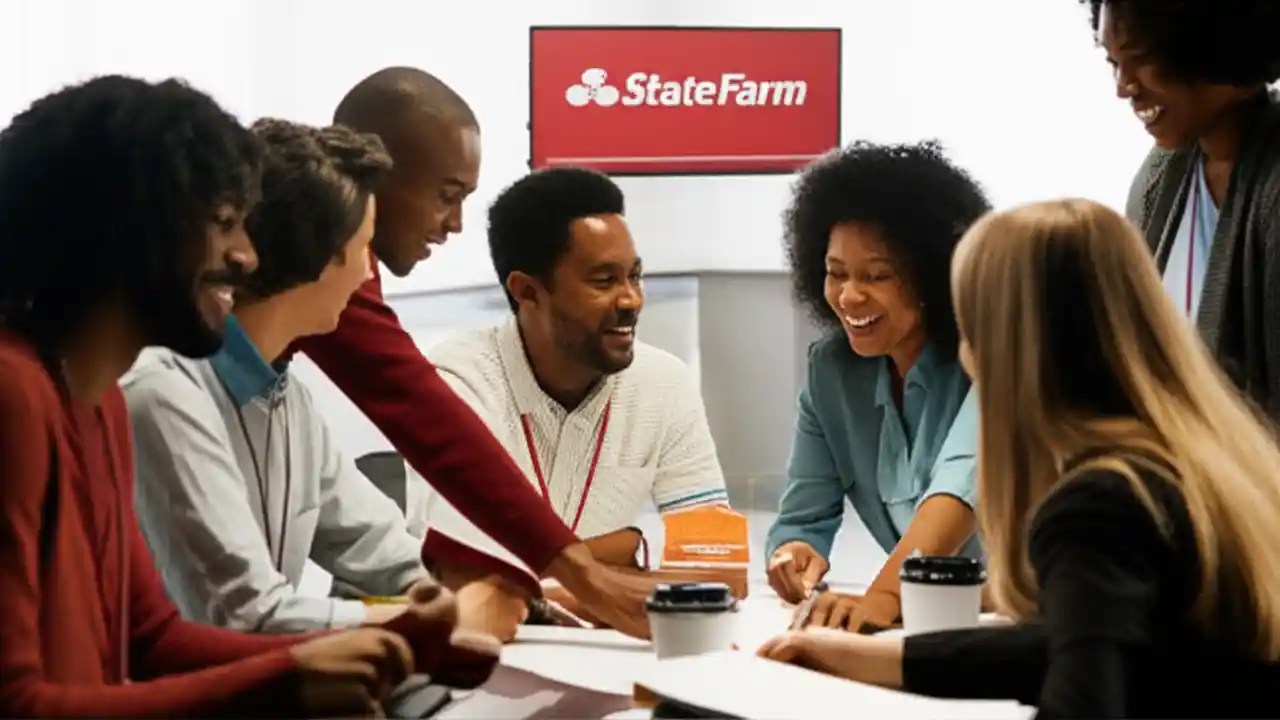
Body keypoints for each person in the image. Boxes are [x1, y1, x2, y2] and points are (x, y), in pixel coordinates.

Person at [0, 76, 493, 718]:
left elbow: (154, 641)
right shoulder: (17, 393)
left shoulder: (99, 403)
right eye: (224, 224)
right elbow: (17, 703)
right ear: (132, 229)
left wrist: (399, 638)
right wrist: (287, 679)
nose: (247, 254)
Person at [759, 199, 1280, 718]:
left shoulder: (1098, 507)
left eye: (968, 326)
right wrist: (868, 656)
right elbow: (1079, 642)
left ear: (1003, 342)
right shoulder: (1184, 465)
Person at [291, 67, 649, 638]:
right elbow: (425, 416)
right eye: (447, 196)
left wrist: (503, 582)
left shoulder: (283, 390)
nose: (455, 225)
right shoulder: (325, 294)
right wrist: (577, 571)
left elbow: (342, 509)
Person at [125, 119, 442, 633]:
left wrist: (504, 596)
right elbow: (247, 615)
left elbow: (384, 551)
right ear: (319, 254)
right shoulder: (160, 391)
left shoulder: (287, 398)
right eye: (364, 248)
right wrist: (435, 617)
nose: (367, 273)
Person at [412, 167, 730, 639]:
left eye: (635, 276)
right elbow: (468, 578)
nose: (632, 300)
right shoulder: (457, 381)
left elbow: (719, 572)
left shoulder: (665, 382)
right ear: (527, 292)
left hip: (607, 666)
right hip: (484, 658)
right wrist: (621, 555)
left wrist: (627, 548)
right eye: (604, 281)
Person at [764, 141, 990, 633]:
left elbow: (958, 490)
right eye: (835, 273)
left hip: (1021, 618)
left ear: (933, 276)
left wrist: (884, 597)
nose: (848, 295)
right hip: (922, 620)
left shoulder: (990, 360)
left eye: (877, 276)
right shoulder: (831, 372)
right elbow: (803, 516)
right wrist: (793, 554)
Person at [1093, 0, 1280, 421]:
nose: (1124, 86)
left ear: (1207, 45)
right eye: (1113, 62)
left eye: (1140, 60)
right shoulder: (1157, 181)